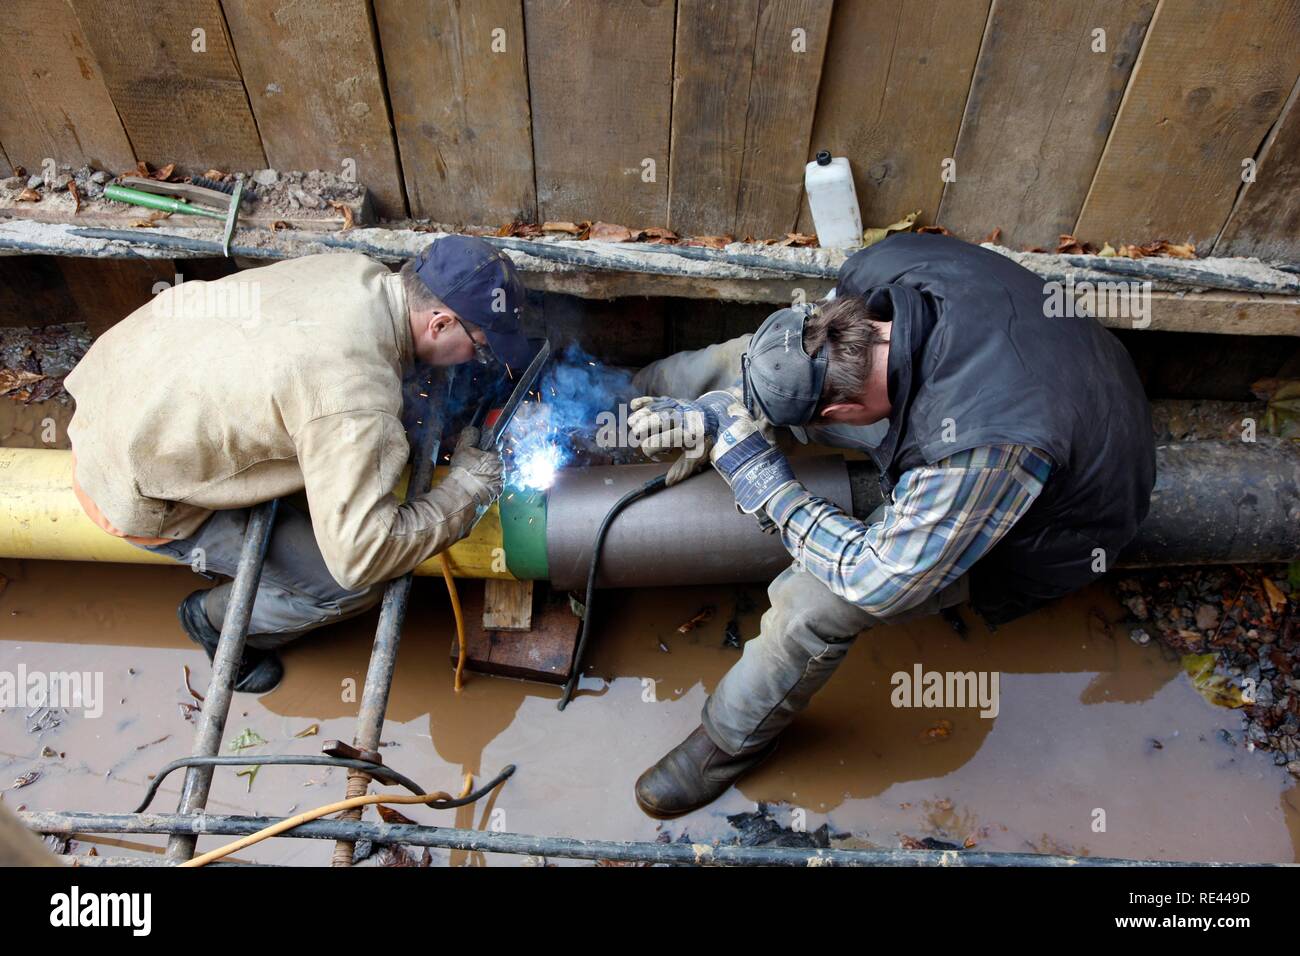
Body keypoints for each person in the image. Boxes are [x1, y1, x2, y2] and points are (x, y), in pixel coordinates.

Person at [627, 232, 1155, 816]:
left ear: (841, 416)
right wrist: (725, 404)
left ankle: (727, 742)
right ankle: (617, 397)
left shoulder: (983, 449)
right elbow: (793, 356)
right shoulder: (883, 269)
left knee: (813, 603)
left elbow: (877, 580)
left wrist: (760, 476)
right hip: (1034, 367)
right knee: (742, 362)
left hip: (1057, 513)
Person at [65, 236, 531, 693]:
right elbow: (361, 556)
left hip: (122, 381)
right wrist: (467, 490)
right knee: (349, 587)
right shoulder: (353, 396)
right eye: (480, 345)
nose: (479, 357)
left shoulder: (354, 270)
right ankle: (214, 621)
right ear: (440, 324)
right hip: (132, 484)